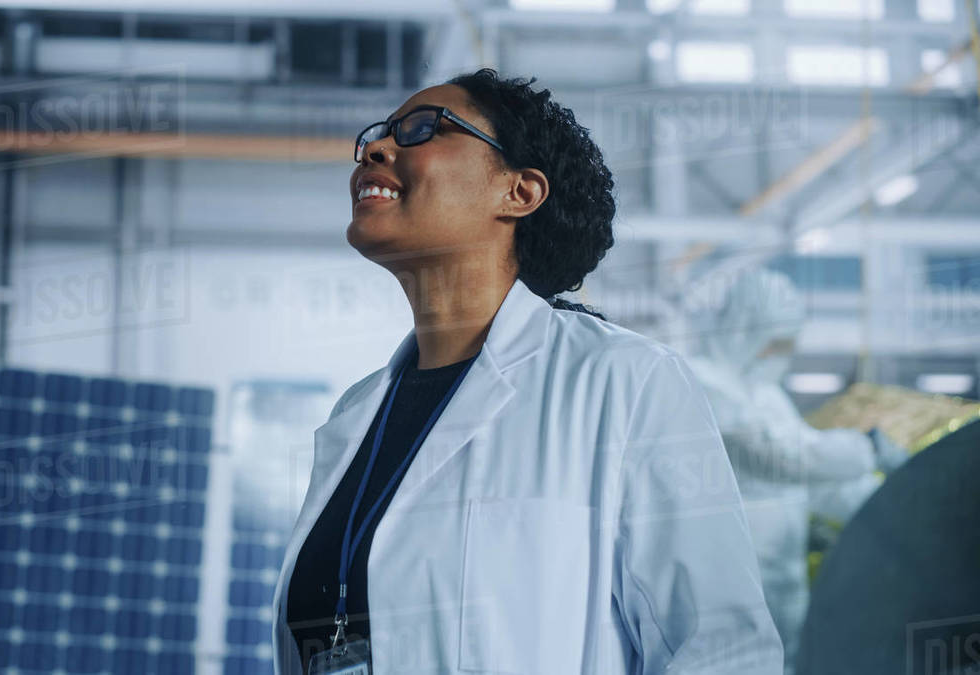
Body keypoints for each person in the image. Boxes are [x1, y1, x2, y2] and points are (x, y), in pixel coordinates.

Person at [271, 68, 782, 675]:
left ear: (519, 192)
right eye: (377, 135)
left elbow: (721, 651)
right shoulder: (357, 415)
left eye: (422, 129)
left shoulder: (622, 382)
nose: (376, 149)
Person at [686, 268, 907, 673]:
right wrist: (868, 448)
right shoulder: (702, 382)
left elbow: (815, 482)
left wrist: (892, 505)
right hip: (728, 583)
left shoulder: (769, 396)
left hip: (785, 581)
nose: (779, 354)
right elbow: (781, 458)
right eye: (774, 343)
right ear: (744, 329)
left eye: (786, 344)